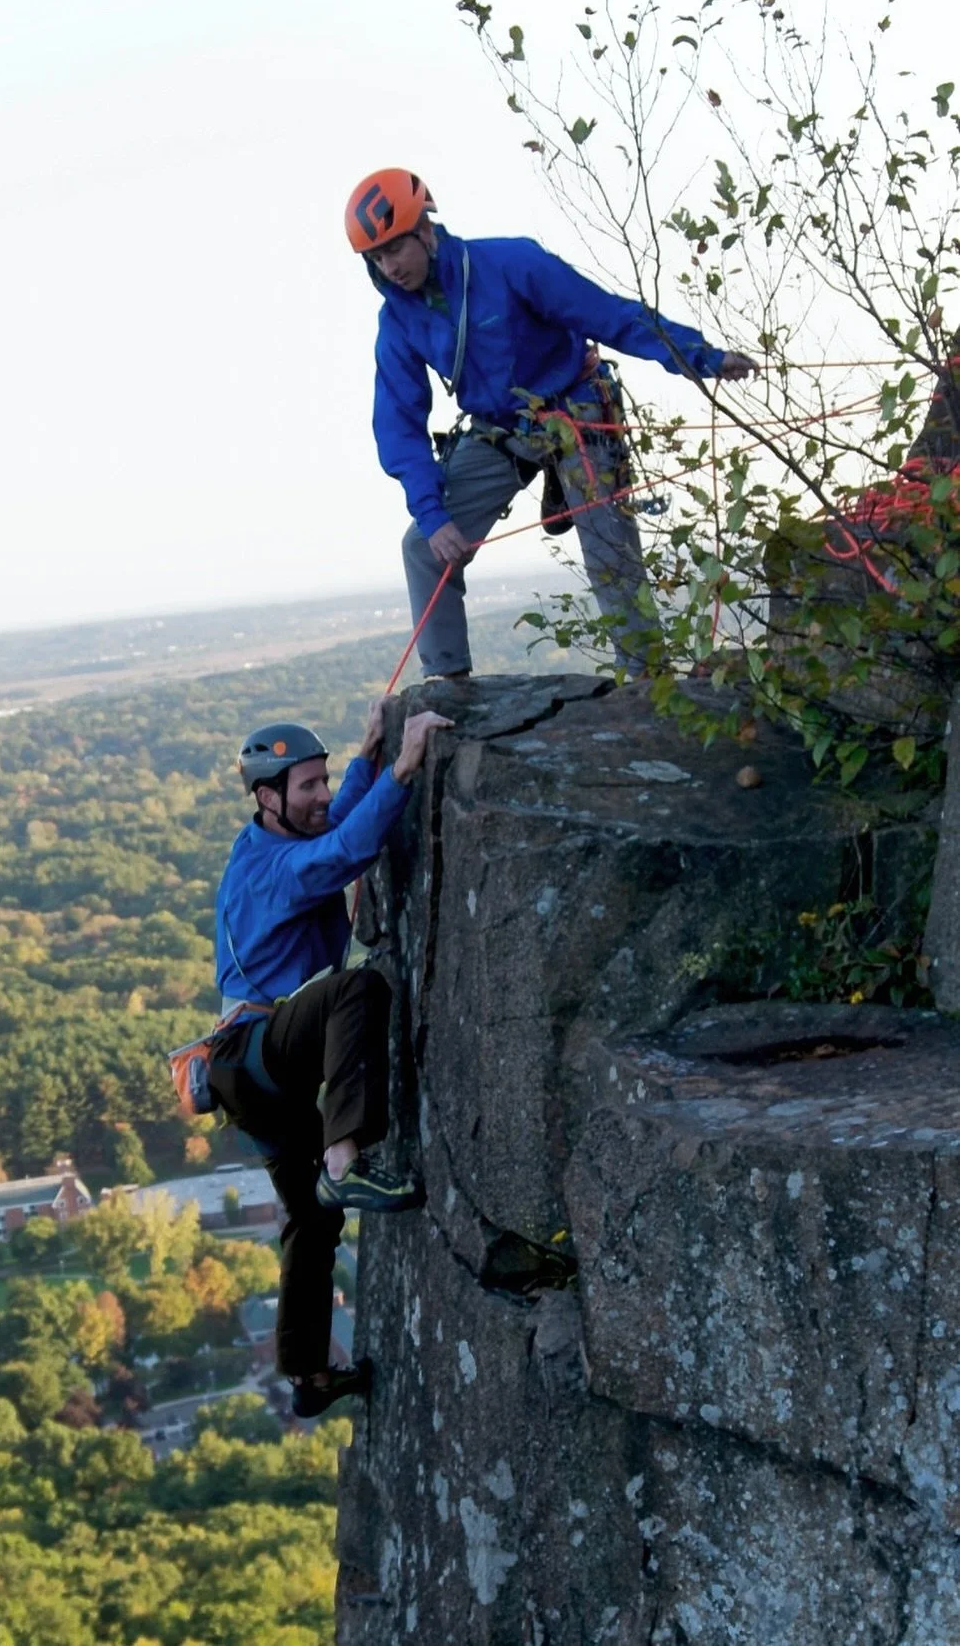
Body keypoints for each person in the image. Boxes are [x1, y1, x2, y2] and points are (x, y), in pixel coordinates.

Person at [346, 168, 760, 679]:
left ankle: (647, 682)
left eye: (395, 249)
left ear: (426, 231)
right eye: (377, 257)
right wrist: (433, 515)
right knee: (422, 548)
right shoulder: (398, 323)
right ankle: (447, 685)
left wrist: (699, 356)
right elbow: (398, 425)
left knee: (607, 546)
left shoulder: (509, 264)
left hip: (575, 407)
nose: (390, 267)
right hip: (501, 429)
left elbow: (610, 316)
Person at [209, 701, 450, 1417]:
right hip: (257, 1049)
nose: (319, 796)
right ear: (267, 797)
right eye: (305, 786)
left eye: (320, 780)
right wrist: (403, 768)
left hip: (253, 1078)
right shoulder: (271, 871)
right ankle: (344, 1158)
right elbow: (339, 853)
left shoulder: (269, 839)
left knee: (309, 1224)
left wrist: (366, 759)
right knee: (357, 989)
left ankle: (309, 1375)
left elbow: (332, 825)